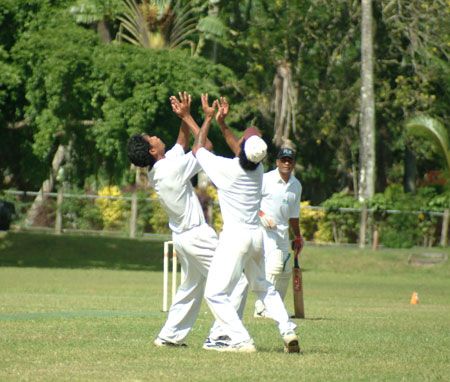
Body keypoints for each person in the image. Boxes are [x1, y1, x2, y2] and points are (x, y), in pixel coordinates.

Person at [190, 96, 300, 353]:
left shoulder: (227, 169)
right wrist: (224, 125)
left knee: (214, 294)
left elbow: (198, 148)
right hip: (256, 237)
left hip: (235, 238)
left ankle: (239, 339)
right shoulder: (259, 170)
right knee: (264, 287)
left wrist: (209, 118)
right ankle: (287, 330)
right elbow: (244, 151)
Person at [127, 92, 219, 347]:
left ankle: (169, 337)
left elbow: (182, 142)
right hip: (198, 235)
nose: (156, 136)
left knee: (191, 288)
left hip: (183, 238)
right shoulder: (170, 170)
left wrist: (182, 116)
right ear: (153, 149)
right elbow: (206, 148)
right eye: (152, 138)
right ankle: (222, 336)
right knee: (233, 279)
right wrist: (190, 117)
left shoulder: (161, 167)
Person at [254, 145, 304, 318]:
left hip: (282, 231)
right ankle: (261, 308)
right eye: (283, 159)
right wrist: (261, 215)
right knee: (273, 267)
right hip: (265, 229)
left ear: (293, 164)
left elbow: (294, 215)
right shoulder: (266, 179)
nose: (286, 163)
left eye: (290, 160)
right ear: (277, 162)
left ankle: (276, 309)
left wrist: (298, 236)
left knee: (285, 271)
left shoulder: (296, 185)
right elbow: (252, 201)